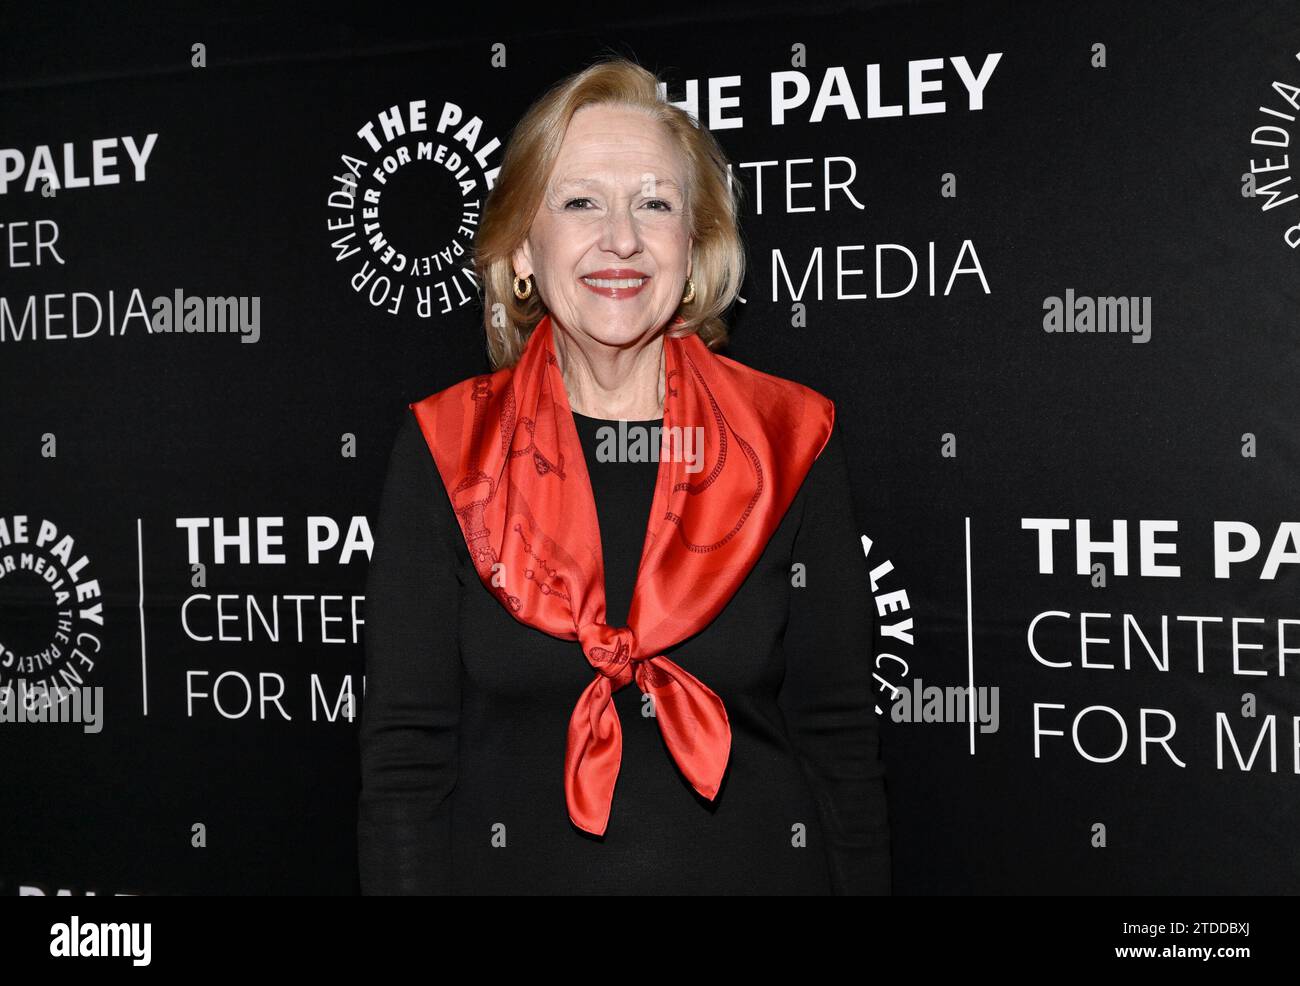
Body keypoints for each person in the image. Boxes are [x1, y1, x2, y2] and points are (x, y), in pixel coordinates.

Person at [357, 55, 890, 894]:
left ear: (695, 246)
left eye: (655, 203)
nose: (622, 239)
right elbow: (406, 761)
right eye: (580, 202)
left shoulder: (789, 441)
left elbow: (838, 739)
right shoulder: (450, 449)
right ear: (523, 249)